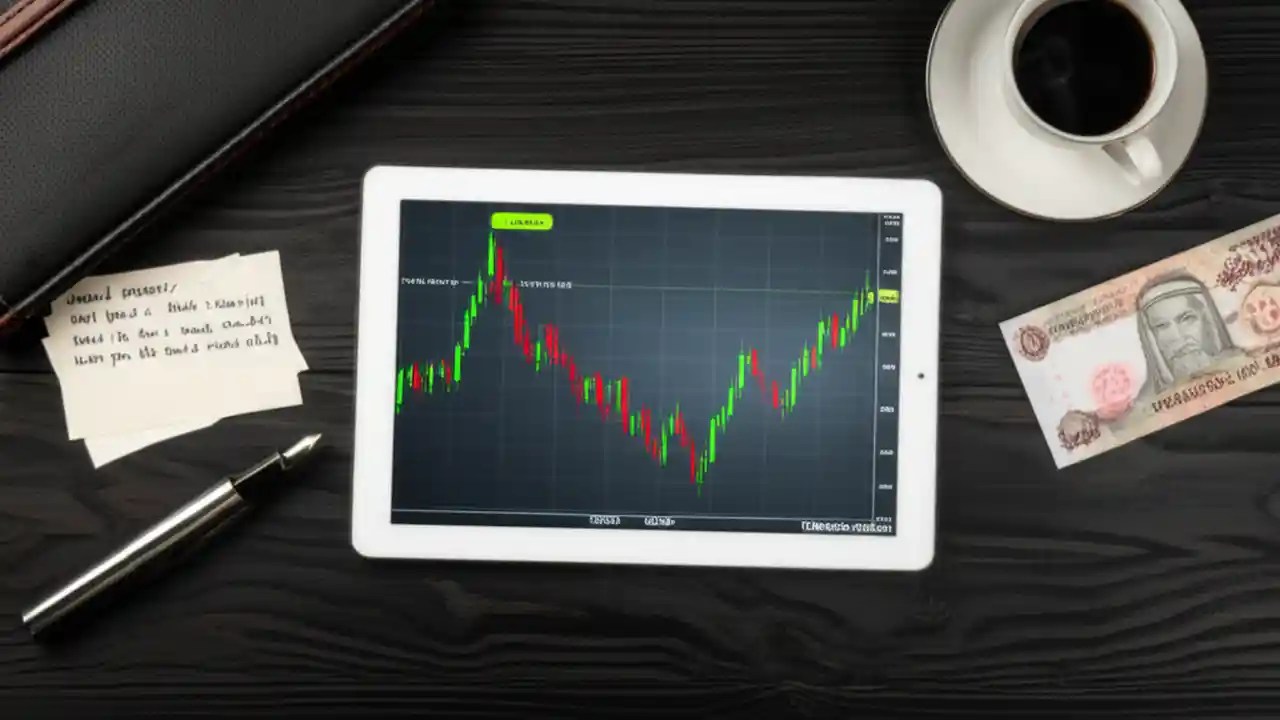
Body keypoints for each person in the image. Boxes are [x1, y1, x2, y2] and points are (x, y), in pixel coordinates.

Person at [1135, 273, 1240, 396]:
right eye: (1161, 325)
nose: (1177, 336)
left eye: (1187, 319)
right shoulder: (1146, 403)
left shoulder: (1244, 367)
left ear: (1208, 320)